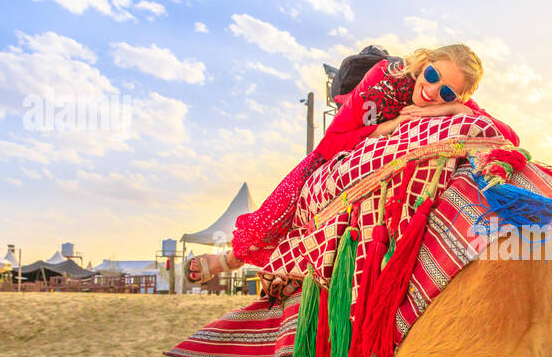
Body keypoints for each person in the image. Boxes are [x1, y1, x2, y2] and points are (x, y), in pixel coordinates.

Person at [186, 43, 517, 287]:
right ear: (425, 63)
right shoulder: (385, 79)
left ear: (458, 97)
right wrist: (382, 129)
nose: (431, 91)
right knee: (279, 209)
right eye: (431, 75)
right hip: (351, 134)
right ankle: (226, 260)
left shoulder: (452, 103)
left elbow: (509, 137)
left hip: (392, 157)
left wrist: (452, 113)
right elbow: (331, 141)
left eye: (445, 92)